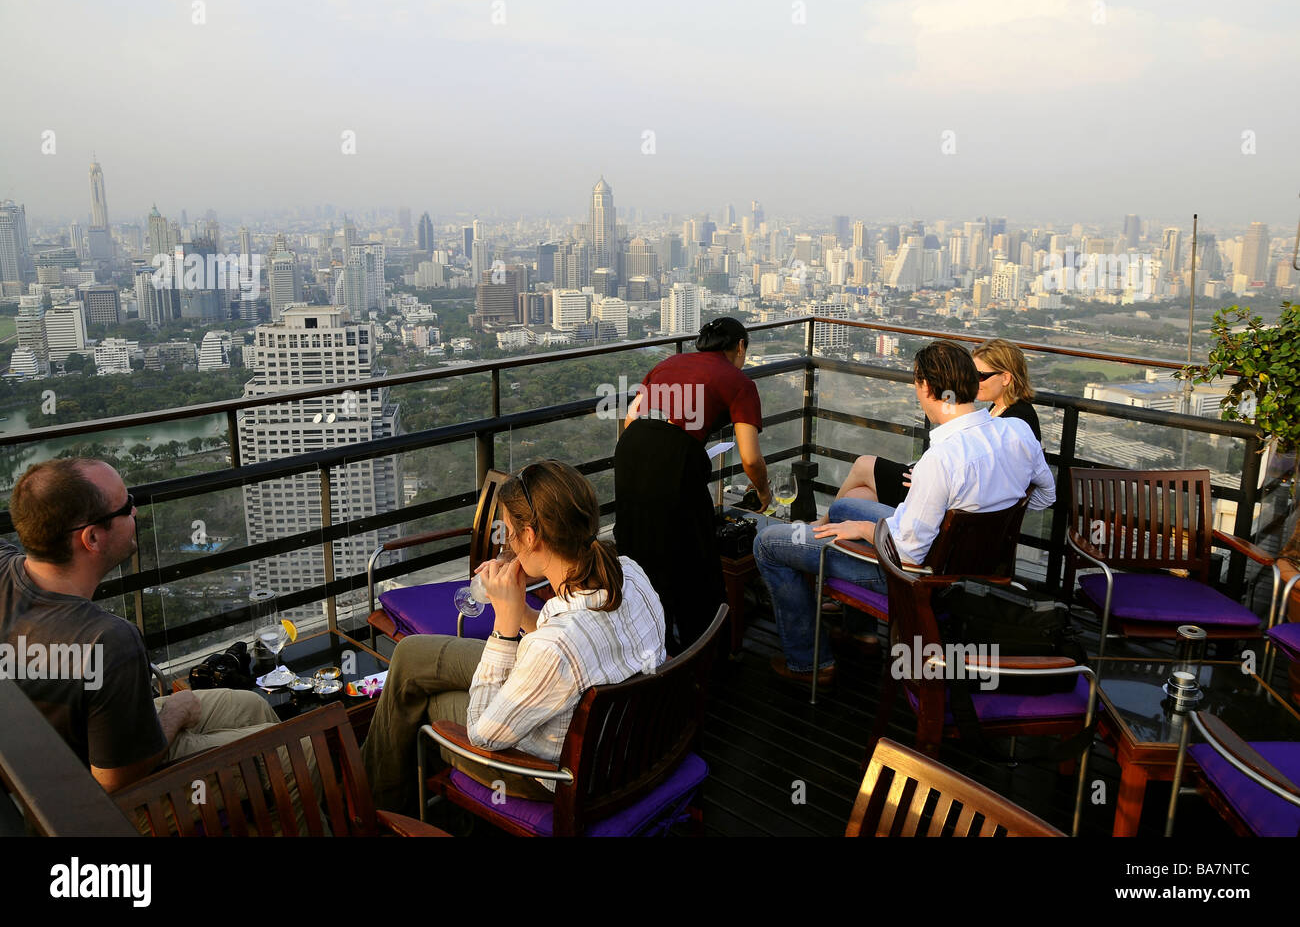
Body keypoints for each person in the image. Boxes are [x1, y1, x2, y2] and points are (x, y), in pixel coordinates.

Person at [0, 458, 310, 810]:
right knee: (299, 749)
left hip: (58, 749)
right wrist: (175, 713)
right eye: (125, 507)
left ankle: (262, 804)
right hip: (90, 798)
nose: (135, 513)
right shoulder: (107, 640)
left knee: (252, 706)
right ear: (92, 538)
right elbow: (117, 780)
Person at [361, 460, 667, 816]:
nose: (506, 542)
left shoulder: (553, 647)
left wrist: (505, 628)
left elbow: (481, 733)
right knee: (412, 655)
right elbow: (575, 648)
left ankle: (373, 808)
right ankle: (372, 786)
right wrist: (519, 609)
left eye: (509, 531)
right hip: (615, 728)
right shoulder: (629, 572)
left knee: (427, 703)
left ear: (531, 537)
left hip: (547, 771)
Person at [754, 341, 1055, 686]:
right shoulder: (1017, 432)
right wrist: (989, 527)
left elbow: (907, 557)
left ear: (926, 387)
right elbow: (1046, 493)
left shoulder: (941, 459)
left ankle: (810, 663)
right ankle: (859, 633)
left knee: (768, 543)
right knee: (840, 508)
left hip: (918, 580)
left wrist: (866, 531)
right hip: (969, 569)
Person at [614, 316, 770, 653]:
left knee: (639, 554)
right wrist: (764, 491)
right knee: (696, 559)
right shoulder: (738, 381)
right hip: (675, 459)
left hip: (630, 452)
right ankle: (704, 657)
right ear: (740, 347)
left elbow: (630, 419)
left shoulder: (668, 363)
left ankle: (650, 648)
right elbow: (751, 459)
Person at [834, 338, 1040, 508]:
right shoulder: (1001, 412)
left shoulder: (1018, 422)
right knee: (857, 495)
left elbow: (989, 475)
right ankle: (824, 530)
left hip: (950, 500)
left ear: (1005, 378)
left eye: (980, 376)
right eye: (972, 374)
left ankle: (820, 532)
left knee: (863, 467)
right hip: (955, 499)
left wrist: (931, 477)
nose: (974, 381)